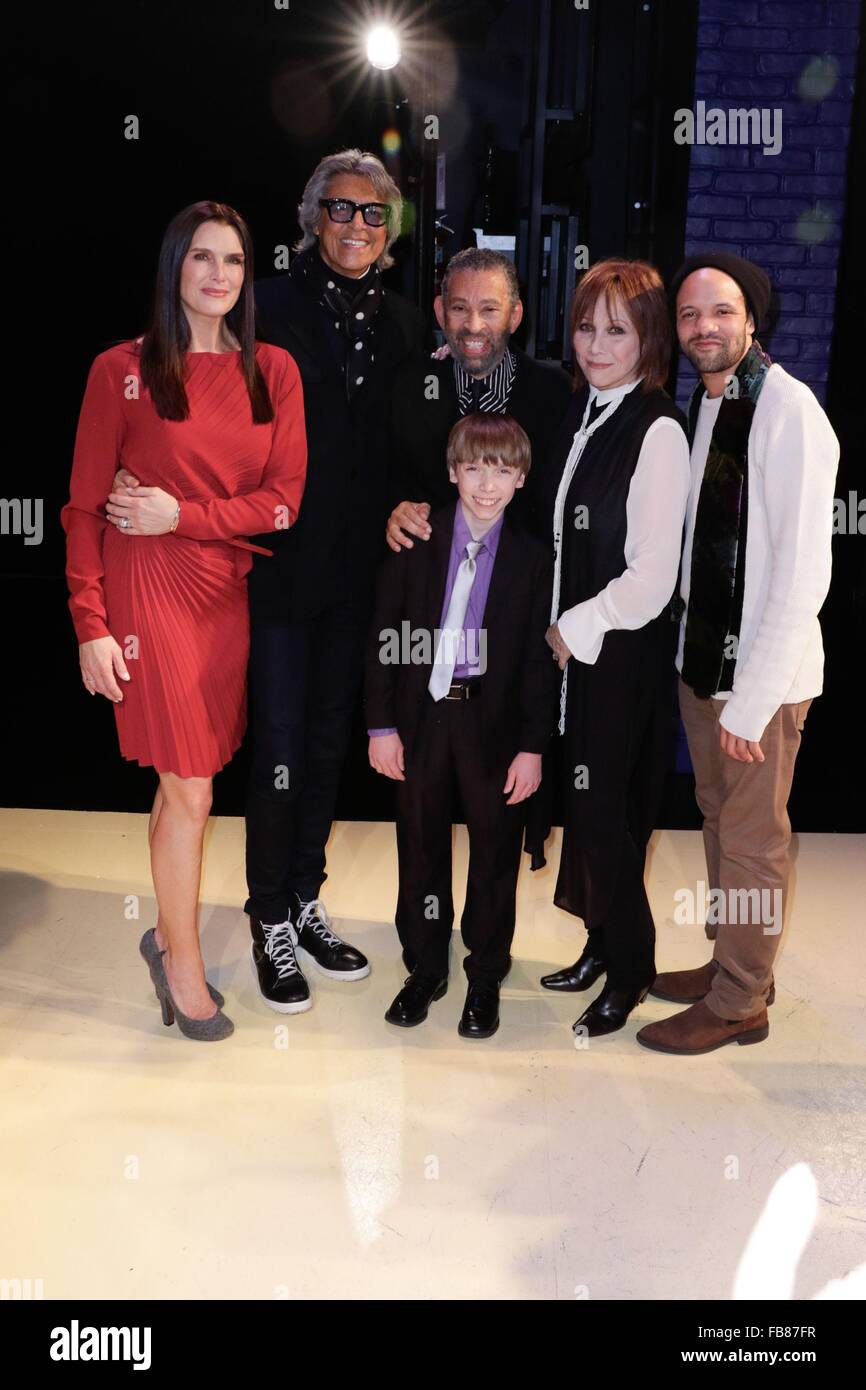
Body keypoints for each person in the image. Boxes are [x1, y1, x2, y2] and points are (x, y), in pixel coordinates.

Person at [113, 150, 426, 1014]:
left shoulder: (405, 327)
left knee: (329, 742)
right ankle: (266, 916)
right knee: (279, 748)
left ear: (390, 230)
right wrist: (132, 484)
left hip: (360, 574)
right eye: (341, 209)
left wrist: (414, 496)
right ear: (312, 216)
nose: (357, 226)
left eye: (375, 214)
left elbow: (416, 439)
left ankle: (304, 897)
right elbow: (187, 400)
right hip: (268, 569)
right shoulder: (266, 310)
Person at [62, 201, 307, 1041]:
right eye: (201, 258)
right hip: (143, 592)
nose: (218, 275)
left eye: (234, 261)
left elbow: (282, 506)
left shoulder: (272, 372)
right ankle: (183, 965)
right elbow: (84, 507)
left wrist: (183, 514)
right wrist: (90, 622)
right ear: (174, 268)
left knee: (184, 778)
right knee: (194, 787)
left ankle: (164, 933)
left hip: (219, 590)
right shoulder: (118, 371)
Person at [637, 253, 839, 1055]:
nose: (703, 328)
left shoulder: (791, 411)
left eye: (719, 312)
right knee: (720, 822)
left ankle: (740, 1003)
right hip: (704, 664)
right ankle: (737, 964)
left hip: (762, 679)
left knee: (754, 842)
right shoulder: (711, 403)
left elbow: (801, 574)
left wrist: (753, 700)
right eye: (689, 316)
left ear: (751, 317)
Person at [365, 413, 559, 1038]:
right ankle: (425, 966)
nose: (486, 484)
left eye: (502, 471)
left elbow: (537, 660)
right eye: (474, 468)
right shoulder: (417, 539)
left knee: (494, 850)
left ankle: (484, 973)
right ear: (452, 471)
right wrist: (380, 727)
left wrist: (533, 747)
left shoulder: (532, 560)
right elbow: (383, 637)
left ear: (522, 479)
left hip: (492, 723)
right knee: (418, 842)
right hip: (421, 716)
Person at [539, 259, 691, 1038]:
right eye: (587, 326)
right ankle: (602, 942)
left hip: (618, 656)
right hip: (581, 658)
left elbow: (654, 578)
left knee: (604, 816)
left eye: (617, 330)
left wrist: (575, 627)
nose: (596, 344)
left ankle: (632, 970)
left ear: (649, 338)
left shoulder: (658, 426)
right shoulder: (586, 408)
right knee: (591, 807)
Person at [385, 247, 572, 556]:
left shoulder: (556, 395)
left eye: (489, 310)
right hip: (427, 581)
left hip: (522, 587)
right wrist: (395, 511)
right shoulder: (406, 386)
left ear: (514, 316)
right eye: (459, 308)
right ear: (440, 312)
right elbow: (383, 478)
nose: (473, 325)